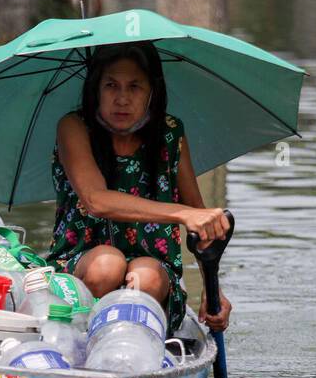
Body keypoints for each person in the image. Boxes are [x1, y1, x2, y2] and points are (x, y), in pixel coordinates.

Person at [47, 42, 233, 336]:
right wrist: (182, 214)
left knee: (147, 276)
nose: (122, 98)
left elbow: (202, 222)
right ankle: (86, 332)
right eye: (111, 85)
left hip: (154, 277)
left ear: (152, 92)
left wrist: (213, 290)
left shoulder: (171, 133)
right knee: (108, 264)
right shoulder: (73, 127)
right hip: (83, 269)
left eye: (134, 87)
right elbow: (96, 201)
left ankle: (132, 339)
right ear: (95, 88)